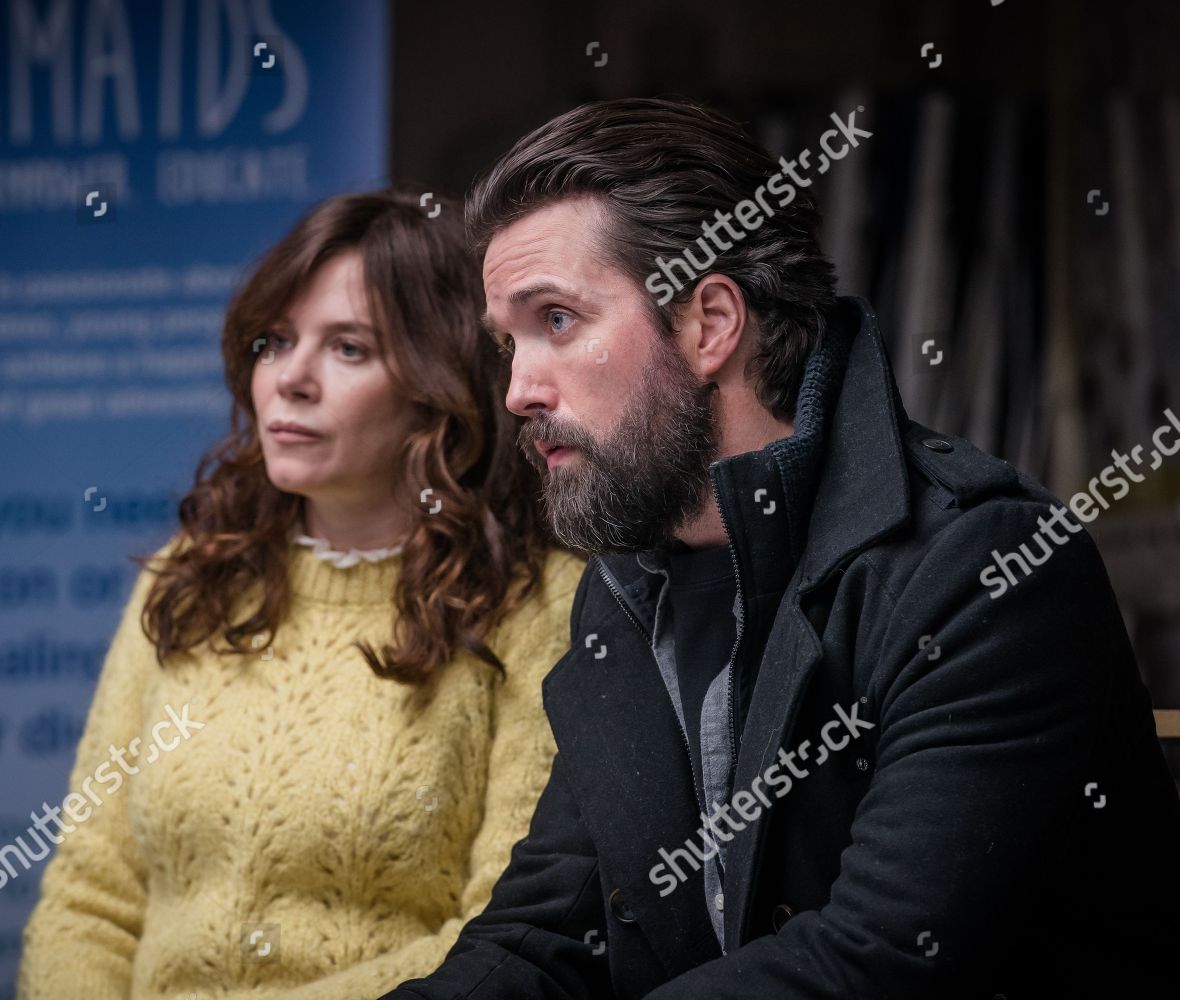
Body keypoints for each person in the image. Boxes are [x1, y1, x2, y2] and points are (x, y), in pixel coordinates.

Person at [383, 98, 1180, 999]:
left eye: (557, 321)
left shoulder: (984, 569)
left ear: (710, 324)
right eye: (507, 343)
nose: (520, 387)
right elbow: (540, 937)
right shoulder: (630, 585)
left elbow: (872, 963)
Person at [17, 190, 586, 999]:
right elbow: (90, 896)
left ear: (437, 383)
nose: (291, 379)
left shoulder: (539, 605)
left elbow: (503, 933)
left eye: (348, 349)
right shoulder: (192, 574)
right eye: (274, 342)